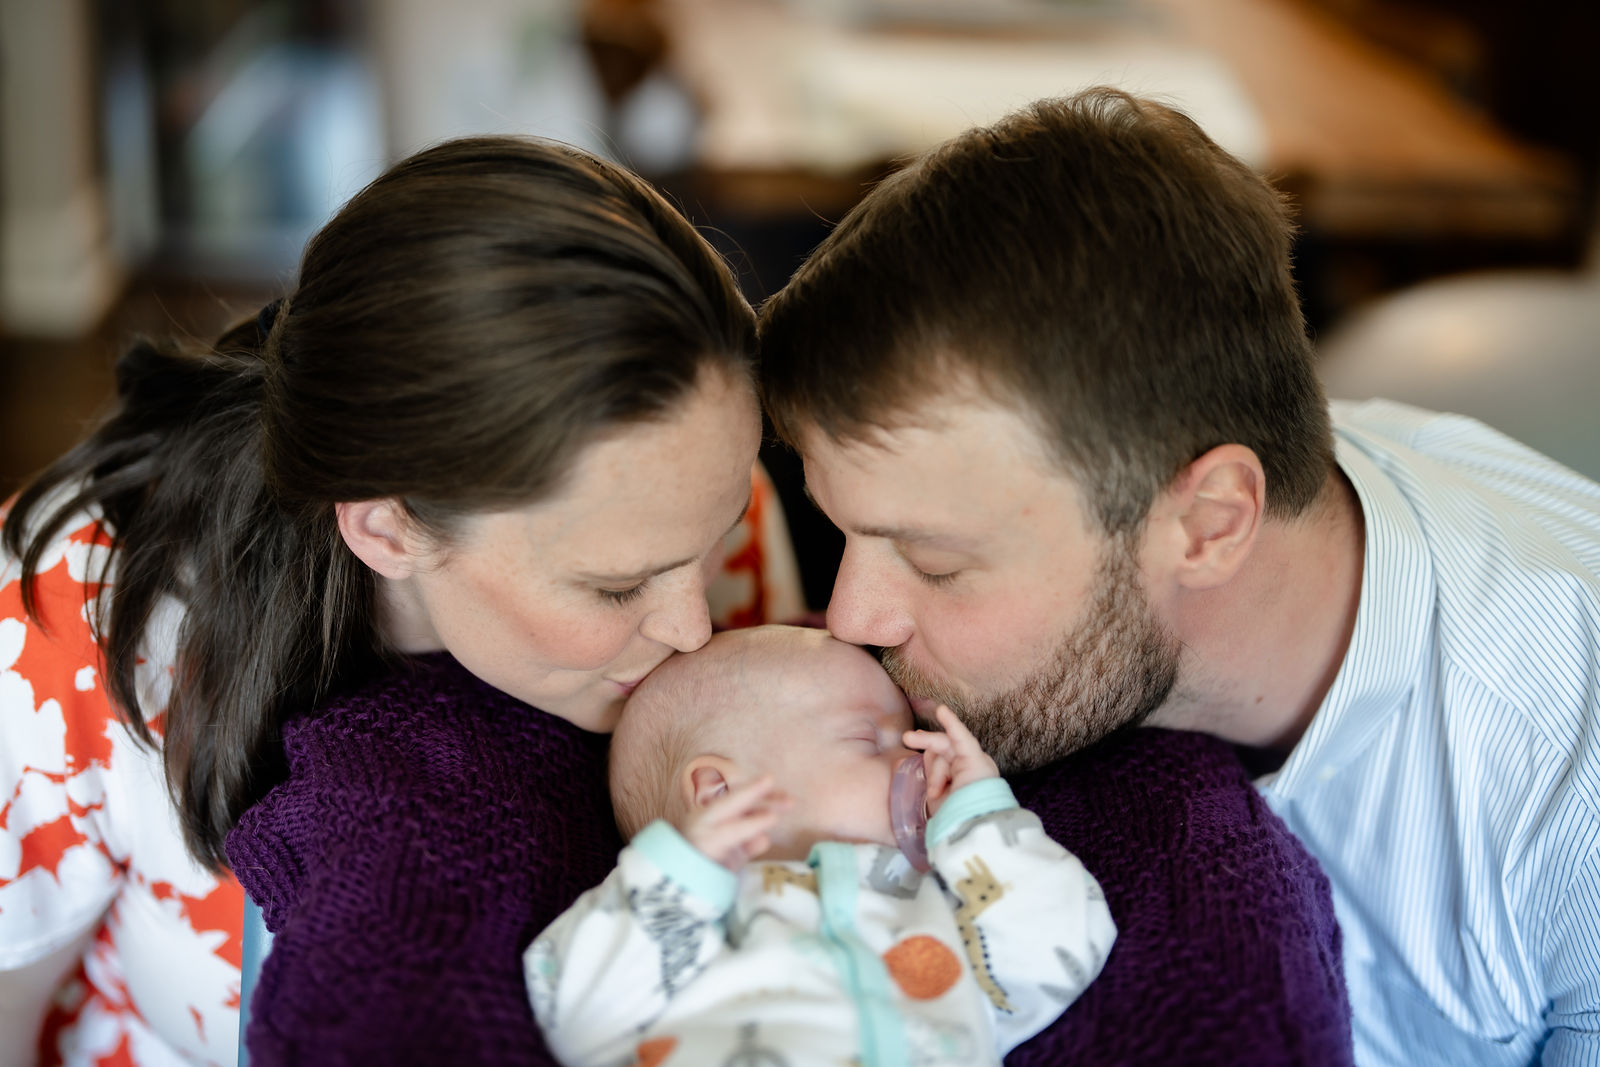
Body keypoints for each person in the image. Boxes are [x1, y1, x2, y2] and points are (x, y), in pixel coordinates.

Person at [757, 85, 1600, 1065]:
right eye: (844, 536)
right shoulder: (1151, 455)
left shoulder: (1563, 802)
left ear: (1207, 526)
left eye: (938, 561)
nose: (852, 614)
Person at [1, 135, 768, 1065]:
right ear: (385, 528)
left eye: (721, 530)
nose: (697, 627)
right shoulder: (62, 623)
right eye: (616, 587)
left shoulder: (677, 499)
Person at [526, 625, 1117, 1067]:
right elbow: (579, 1015)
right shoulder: (671, 920)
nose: (914, 758)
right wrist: (676, 878)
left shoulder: (943, 900)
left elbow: (1061, 950)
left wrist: (980, 818)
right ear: (719, 791)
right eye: (869, 739)